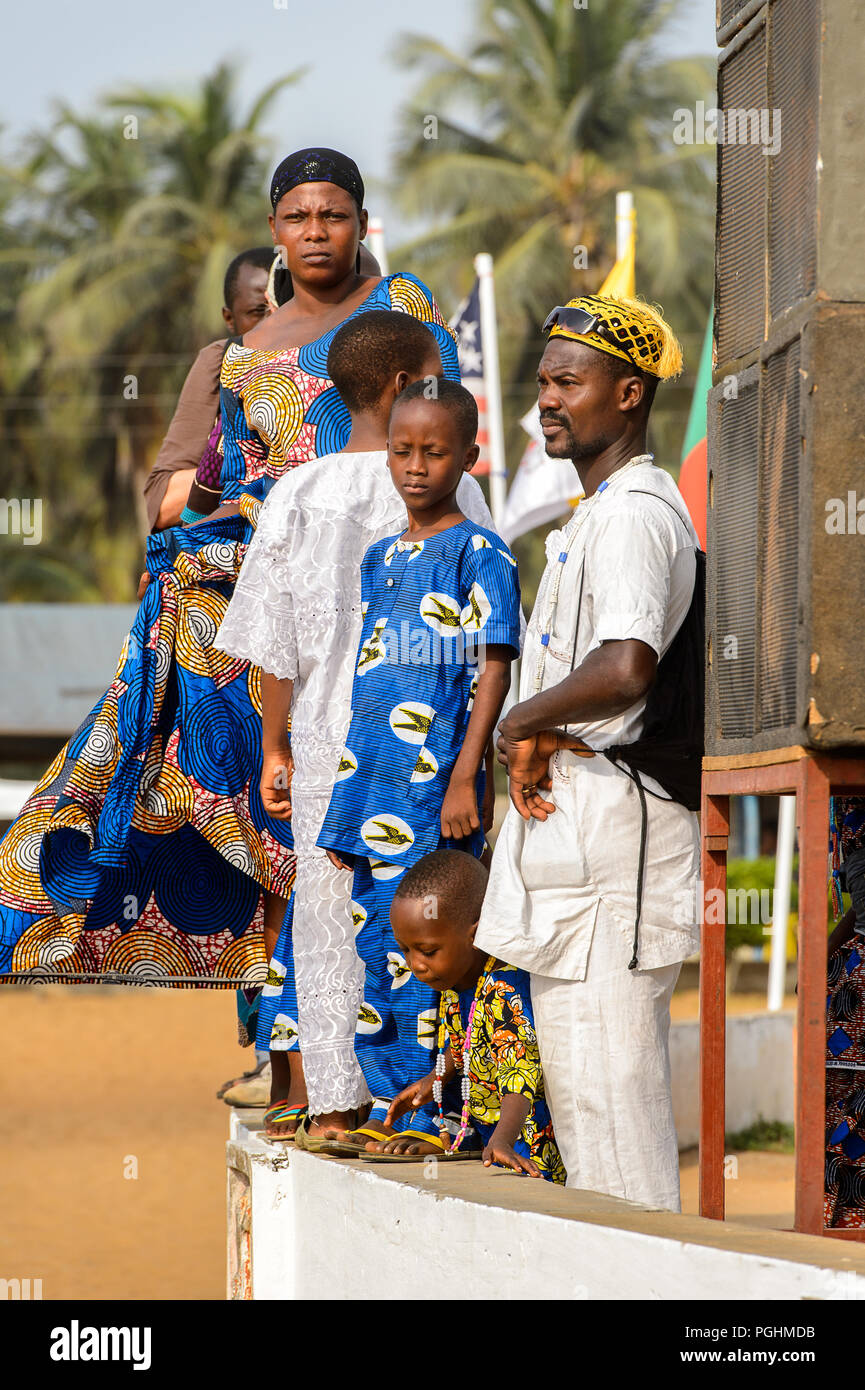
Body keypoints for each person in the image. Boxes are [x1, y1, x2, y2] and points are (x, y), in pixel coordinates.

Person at [0, 147, 459, 1045]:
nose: (316, 231)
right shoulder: (238, 356)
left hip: (395, 592)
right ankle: (296, 1041)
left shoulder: (405, 314)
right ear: (275, 230)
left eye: (333, 215)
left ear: (363, 223)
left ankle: (413, 1057)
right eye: (297, 217)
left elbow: (446, 426)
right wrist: (230, 492)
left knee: (400, 825)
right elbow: (169, 499)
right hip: (277, 597)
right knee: (288, 830)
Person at [217, 313, 502, 1138]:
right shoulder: (453, 481)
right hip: (423, 749)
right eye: (425, 378)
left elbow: (276, 646)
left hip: (316, 745)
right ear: (395, 387)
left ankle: (335, 1101)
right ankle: (418, 1102)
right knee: (423, 919)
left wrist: (273, 745)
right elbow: (477, 637)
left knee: (324, 914)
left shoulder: (295, 493)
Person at [475, 294, 701, 1213]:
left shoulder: (636, 514)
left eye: (568, 383)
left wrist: (515, 722)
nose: (549, 403)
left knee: (617, 1104)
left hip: (620, 836)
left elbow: (625, 667)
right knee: (584, 1102)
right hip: (577, 837)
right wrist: (532, 729)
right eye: (543, 385)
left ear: (629, 394)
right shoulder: (591, 516)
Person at [313, 378, 522, 1153]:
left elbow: (492, 667)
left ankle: (443, 1119)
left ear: (467, 457)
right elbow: (370, 680)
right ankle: (385, 1107)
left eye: (434, 452)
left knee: (438, 958)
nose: (414, 466)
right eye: (402, 450)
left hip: (433, 789)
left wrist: (467, 773)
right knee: (378, 954)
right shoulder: (377, 557)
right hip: (367, 785)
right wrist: (345, 803)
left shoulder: (479, 551)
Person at [378, 849, 566, 1180]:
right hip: (495, 1140)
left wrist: (503, 1140)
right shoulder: (455, 984)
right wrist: (433, 1079)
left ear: (477, 935)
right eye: (406, 949)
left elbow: (518, 1073)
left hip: (528, 1145)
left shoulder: (503, 989)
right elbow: (465, 1042)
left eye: (428, 951)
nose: (416, 965)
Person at [143, 247, 273, 531]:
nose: (271, 322)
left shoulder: (325, 356)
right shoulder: (219, 361)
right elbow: (161, 502)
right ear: (230, 319)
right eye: (257, 312)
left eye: (280, 307)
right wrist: (249, 465)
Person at [825, 797, 865, 1228]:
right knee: (843, 1110)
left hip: (853, 981)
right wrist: (824, 955)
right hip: (850, 982)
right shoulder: (847, 802)